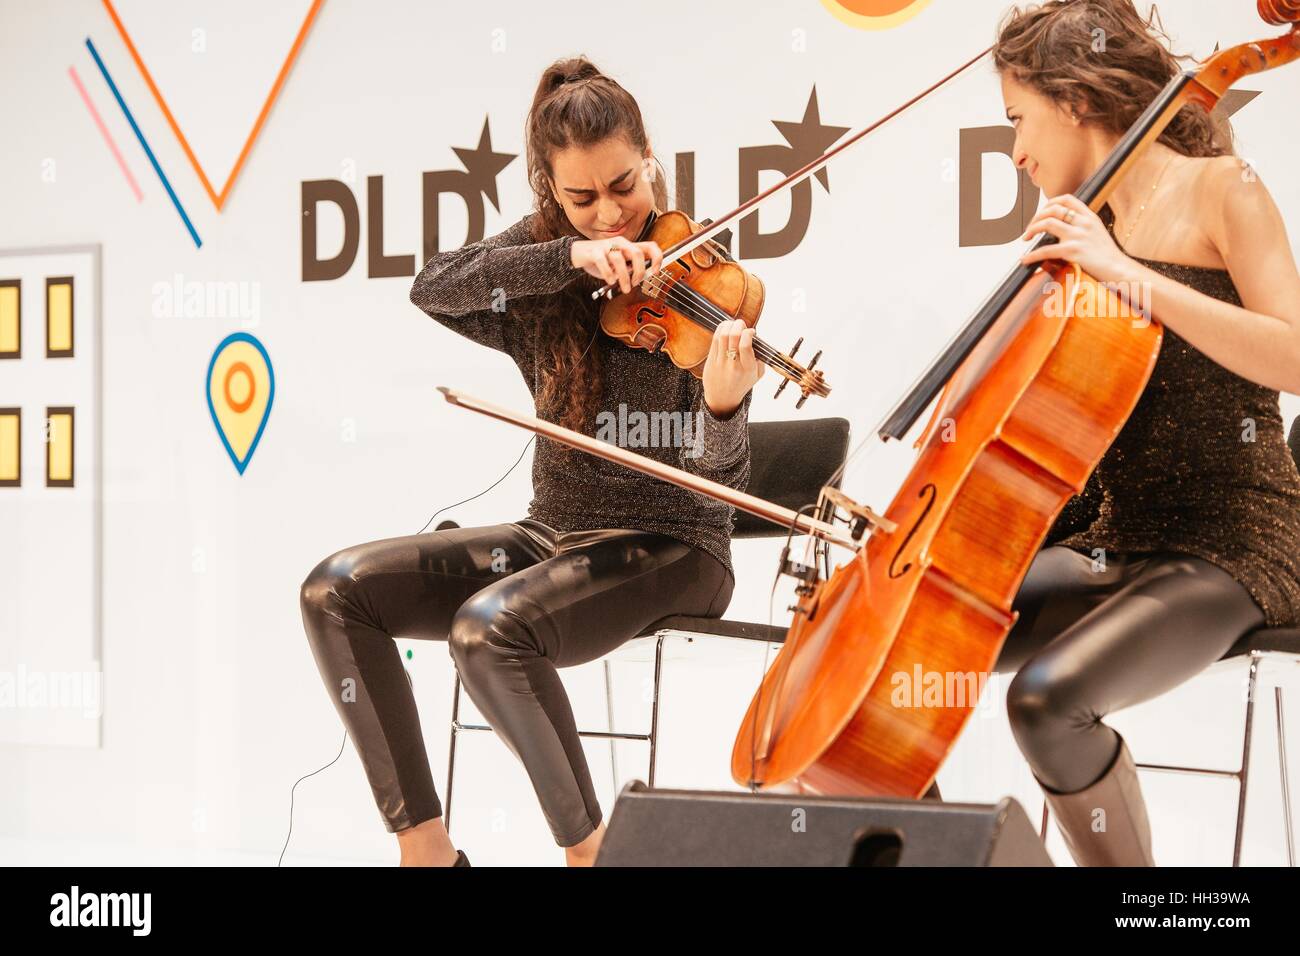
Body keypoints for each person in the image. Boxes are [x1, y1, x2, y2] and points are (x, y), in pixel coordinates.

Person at [299, 55, 763, 866]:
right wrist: (566, 259)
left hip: (676, 546)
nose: (611, 214)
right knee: (337, 591)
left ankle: (594, 856)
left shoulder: (704, 278)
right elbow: (434, 287)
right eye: (581, 199)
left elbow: (722, 484)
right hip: (553, 536)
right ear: (553, 193)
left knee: (487, 632)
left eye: (624, 185)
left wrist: (724, 405)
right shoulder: (547, 266)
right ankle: (427, 851)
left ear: (648, 157)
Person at [976, 0, 1300, 866]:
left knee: (1047, 702)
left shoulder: (1221, 189)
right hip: (1117, 537)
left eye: (1017, 119)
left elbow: (1297, 354)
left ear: (1073, 98)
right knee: (908, 651)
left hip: (1232, 542)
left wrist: (1121, 274)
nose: (1014, 150)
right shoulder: (1087, 231)